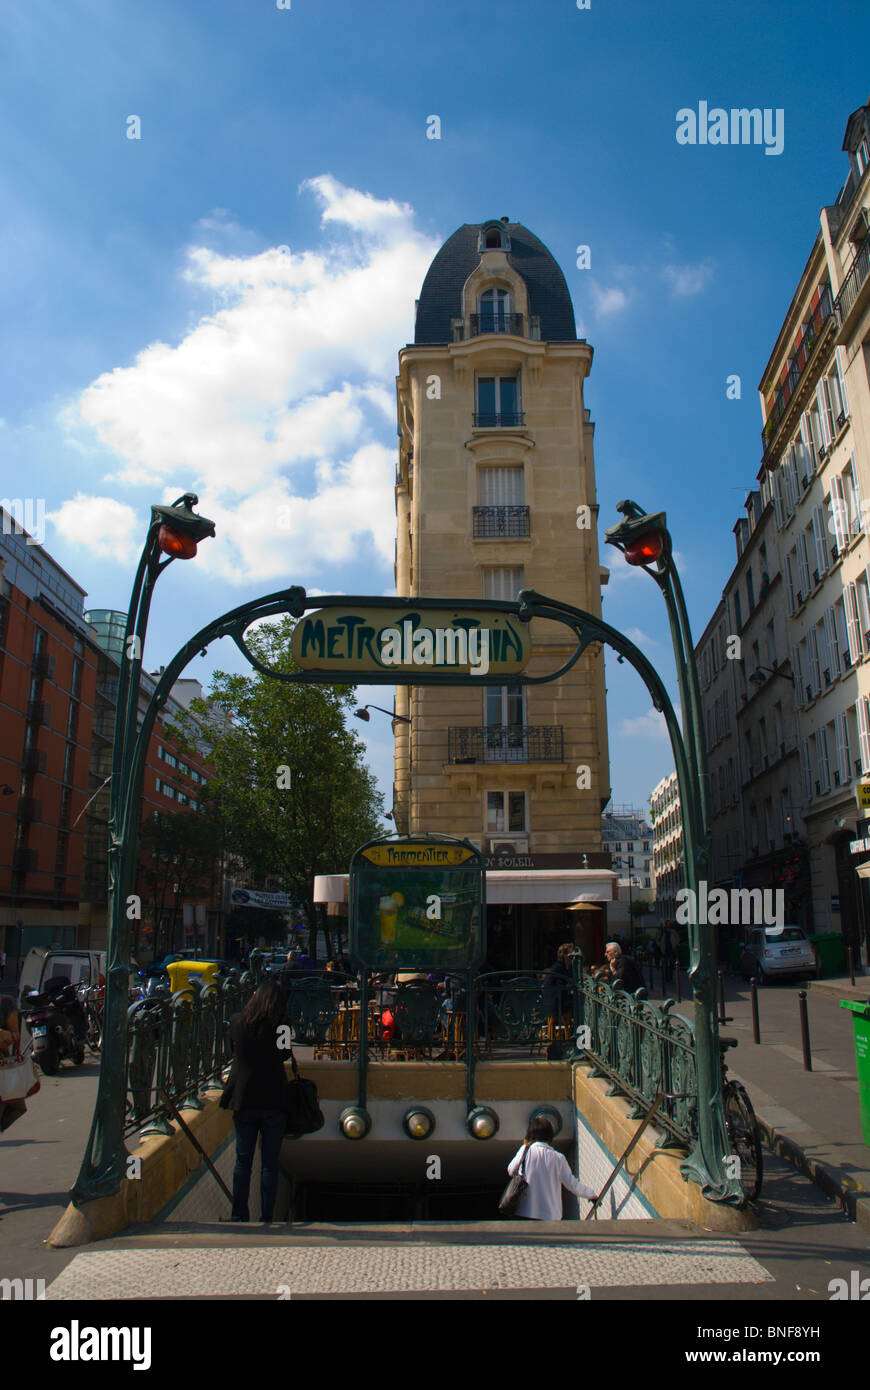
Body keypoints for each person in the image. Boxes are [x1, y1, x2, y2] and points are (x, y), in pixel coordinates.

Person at [219, 980, 288, 1223]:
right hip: (273, 1098)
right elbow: (285, 1053)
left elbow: (233, 1050)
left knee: (243, 1161)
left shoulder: (238, 1022)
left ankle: (239, 1214)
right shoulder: (281, 1026)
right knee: (269, 1163)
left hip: (244, 1097)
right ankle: (267, 1216)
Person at [506, 1115, 598, 1220]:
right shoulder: (559, 1158)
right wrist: (591, 1194)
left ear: (530, 1134)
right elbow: (572, 1185)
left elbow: (511, 1170)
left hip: (525, 1213)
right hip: (550, 1217)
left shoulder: (525, 1151)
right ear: (550, 1136)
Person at [0, 993, 27, 1133]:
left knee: (17, 1106)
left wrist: (6, 1035)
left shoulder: (5, 1003)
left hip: (2, 1070)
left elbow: (15, 1036)